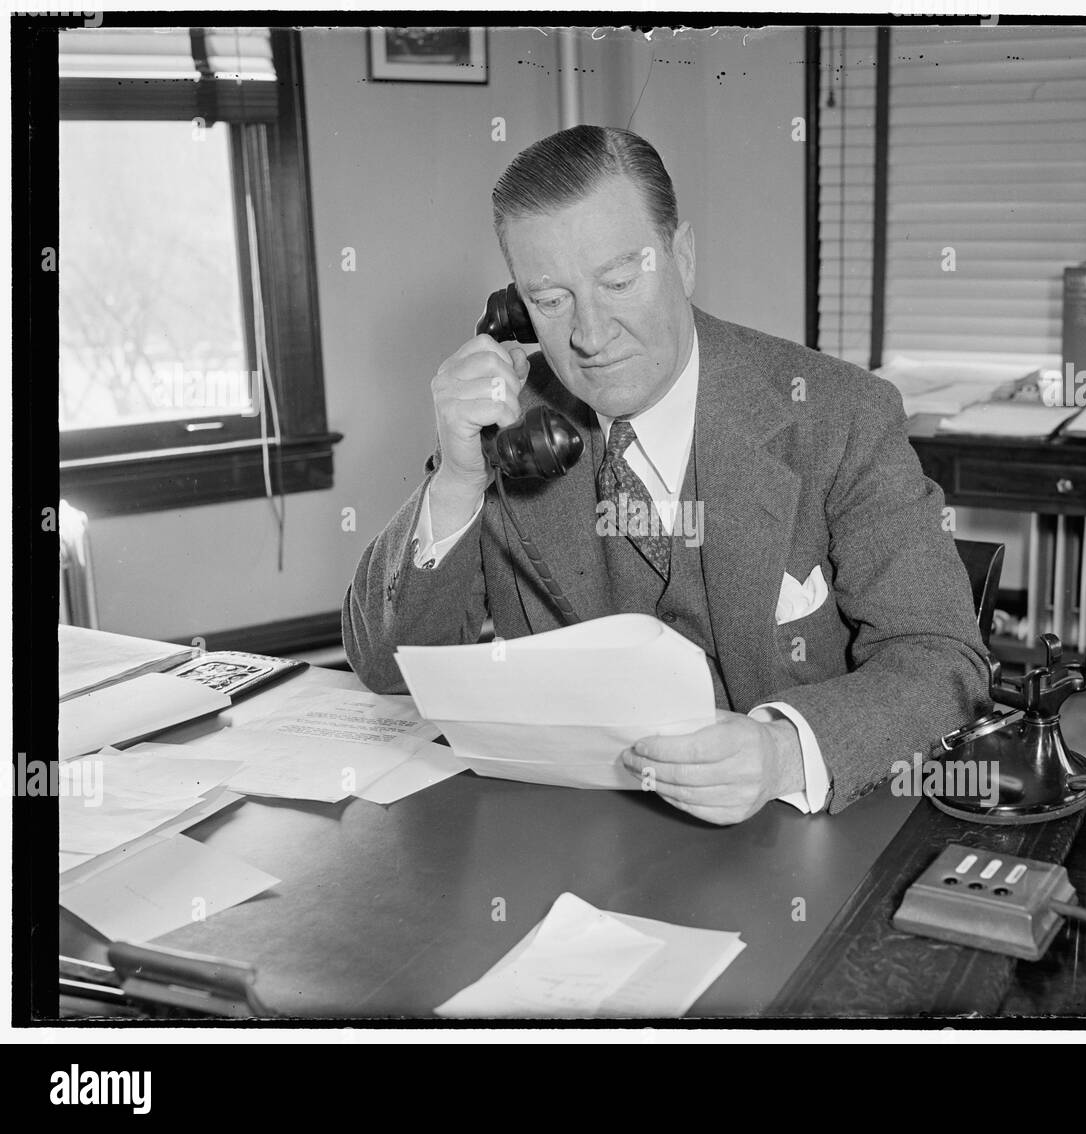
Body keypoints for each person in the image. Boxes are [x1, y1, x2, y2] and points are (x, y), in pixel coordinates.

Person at [343, 125, 988, 825]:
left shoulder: (838, 414)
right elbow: (387, 670)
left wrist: (782, 752)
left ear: (680, 258)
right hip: (575, 846)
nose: (590, 335)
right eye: (551, 299)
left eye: (618, 281)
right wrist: (459, 478)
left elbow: (941, 657)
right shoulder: (508, 432)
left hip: (789, 837)